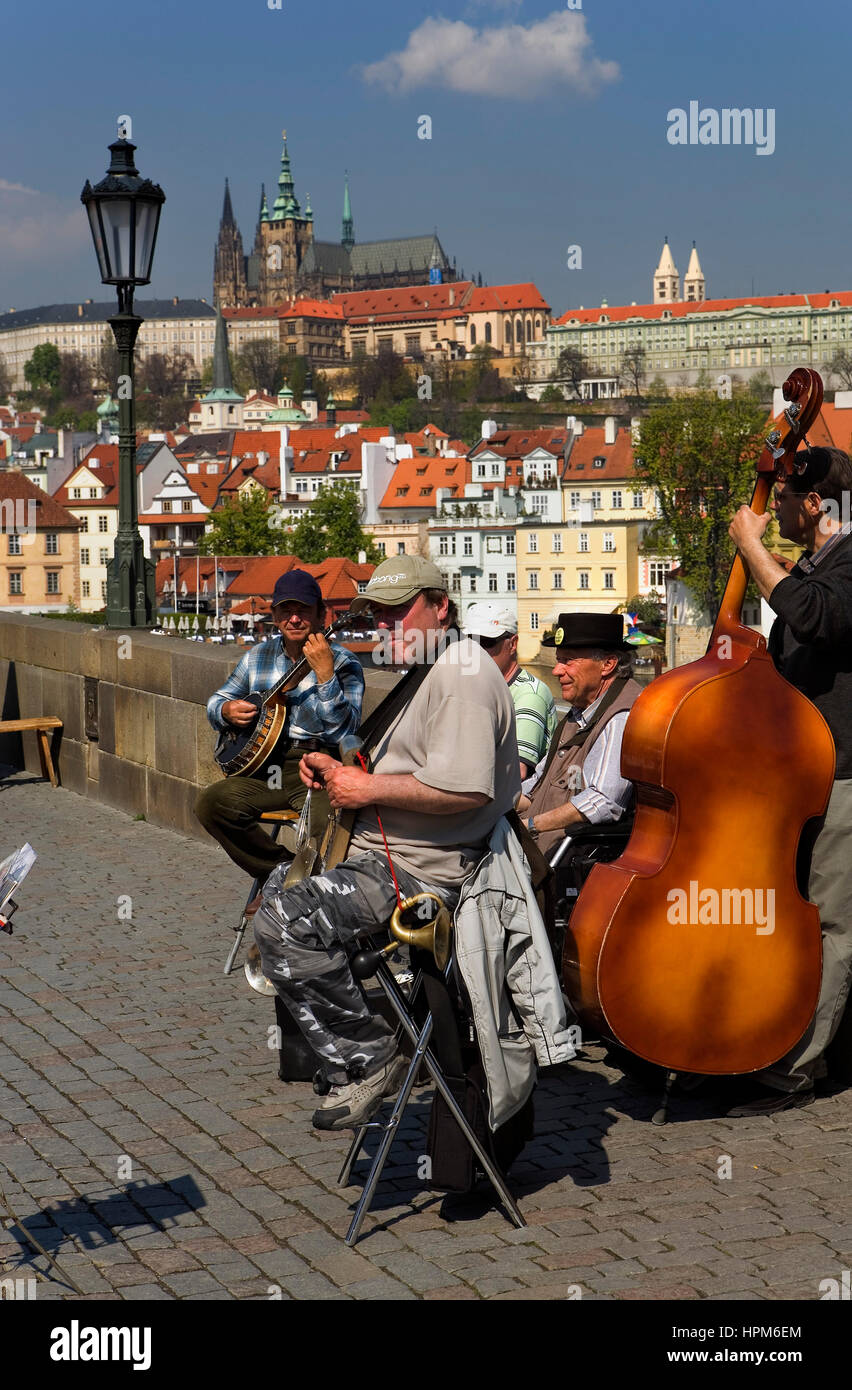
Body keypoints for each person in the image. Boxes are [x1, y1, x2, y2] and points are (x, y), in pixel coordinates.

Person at [252, 555, 523, 1130]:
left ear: (440, 606)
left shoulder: (463, 674)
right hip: (387, 854)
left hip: (424, 871)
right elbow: (410, 765)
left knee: (284, 918)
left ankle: (371, 1058)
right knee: (277, 892)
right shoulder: (434, 665)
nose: (385, 627)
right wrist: (339, 770)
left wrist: (366, 786)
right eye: (378, 615)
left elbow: (466, 791)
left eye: (399, 613)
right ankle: (348, 1047)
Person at [726, 444, 852, 1115]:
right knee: (798, 917)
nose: (768, 508)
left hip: (845, 775)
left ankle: (796, 1068)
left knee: (834, 922)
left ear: (816, 503)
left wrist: (755, 552)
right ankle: (784, 1039)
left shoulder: (850, 561)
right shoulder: (813, 564)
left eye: (780, 498)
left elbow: (817, 616)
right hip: (802, 775)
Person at [195, 569, 364, 882]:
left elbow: (346, 733)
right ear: (274, 615)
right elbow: (216, 702)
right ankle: (282, 874)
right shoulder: (258, 656)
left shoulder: (343, 663)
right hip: (265, 768)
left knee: (325, 827)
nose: (295, 619)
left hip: (318, 767)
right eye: (286, 610)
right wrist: (227, 710)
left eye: (303, 610)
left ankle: (307, 890)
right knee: (211, 804)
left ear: (321, 614)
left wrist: (326, 676)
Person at [517, 613, 643, 857]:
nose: (556, 670)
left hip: (573, 865)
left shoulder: (621, 717)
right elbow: (538, 784)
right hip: (544, 856)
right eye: (558, 660)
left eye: (568, 661)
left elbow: (603, 801)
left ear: (608, 664)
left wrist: (532, 826)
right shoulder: (579, 711)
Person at [462, 601, 557, 779]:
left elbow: (517, 770)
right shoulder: (478, 686)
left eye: (486, 642)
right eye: (470, 642)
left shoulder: (529, 694)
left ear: (513, 644)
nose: (476, 651)